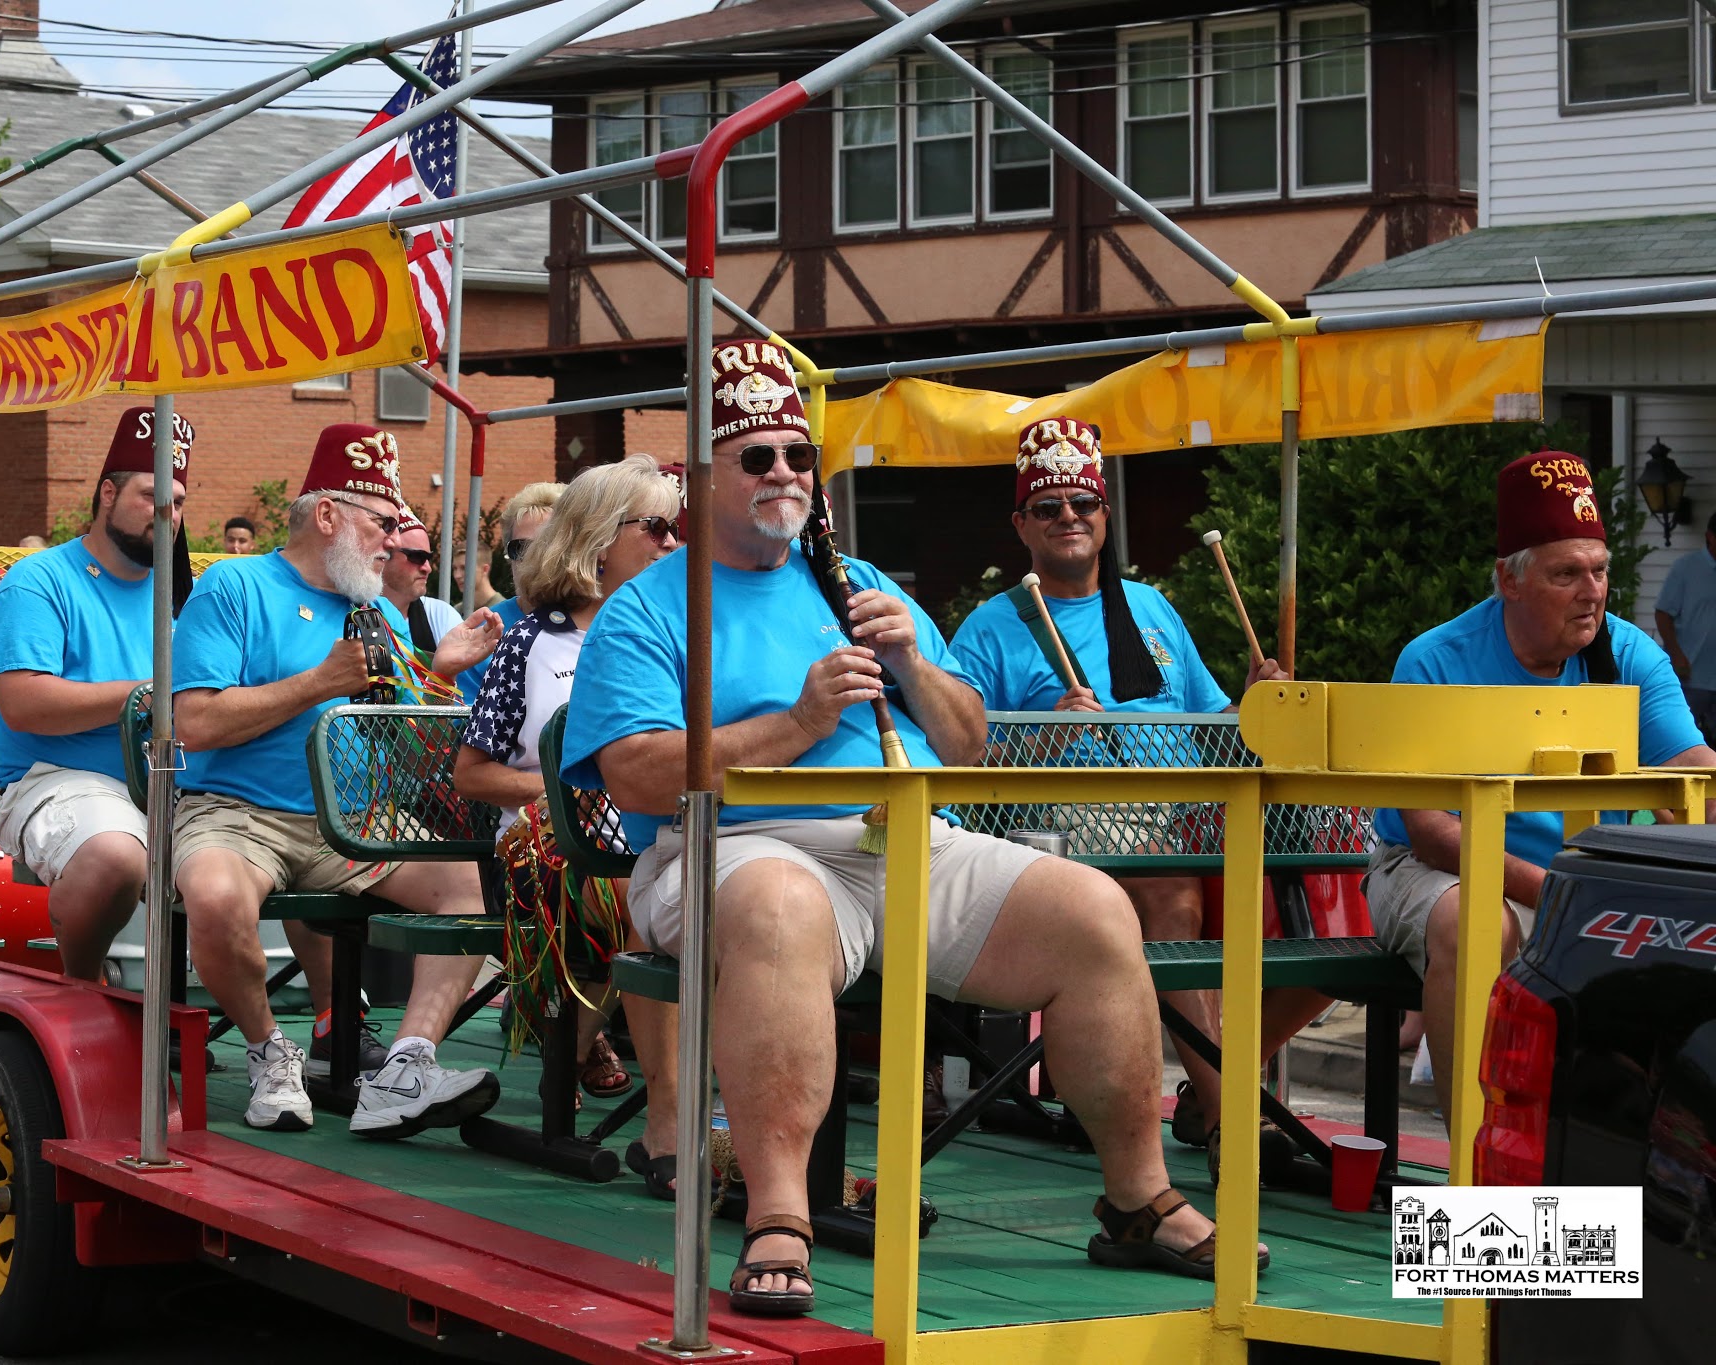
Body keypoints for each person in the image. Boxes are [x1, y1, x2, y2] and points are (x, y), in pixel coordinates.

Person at [563, 344, 1253, 1316]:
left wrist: (912, 667)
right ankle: (776, 1214)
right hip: (726, 848)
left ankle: (1137, 1197)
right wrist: (795, 726)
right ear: (706, 475)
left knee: (1093, 908)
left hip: (897, 837)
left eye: (798, 457)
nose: (783, 475)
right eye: (756, 458)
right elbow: (633, 770)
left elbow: (966, 741)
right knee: (773, 903)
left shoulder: (857, 581)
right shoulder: (646, 608)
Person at [949, 417, 1303, 1159]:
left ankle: (1206, 1095)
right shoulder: (990, 628)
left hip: (1189, 812)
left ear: (1106, 515)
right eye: (1048, 507)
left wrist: (1258, 701)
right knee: (1172, 888)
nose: (1069, 517)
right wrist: (1041, 737)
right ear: (1021, 524)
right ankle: (1229, 1112)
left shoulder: (1152, 608)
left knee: (1321, 903)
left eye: (1083, 502)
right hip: (1056, 829)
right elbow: (957, 757)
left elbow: (1215, 727)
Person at [1367, 451, 1716, 1127]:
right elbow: (1433, 831)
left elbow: (1694, 765)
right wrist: (1565, 895)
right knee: (1474, 920)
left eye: (1601, 570)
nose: (1592, 591)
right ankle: (1474, 1157)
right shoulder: (1435, 660)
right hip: (1436, 867)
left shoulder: (1628, 652)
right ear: (1509, 580)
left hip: (1579, 878)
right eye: (1566, 574)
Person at [172, 422, 503, 1134]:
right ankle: (269, 1050)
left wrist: (440, 675)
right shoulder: (234, 585)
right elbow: (192, 723)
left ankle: (405, 1067)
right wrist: (316, 682)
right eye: (383, 523)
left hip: (352, 820)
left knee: (472, 887)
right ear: (327, 516)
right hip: (237, 812)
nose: (393, 540)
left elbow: (415, 754)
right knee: (214, 895)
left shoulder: (379, 611)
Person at [452, 457, 681, 1195]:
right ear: (598, 538)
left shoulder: (674, 635)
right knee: (641, 902)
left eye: (681, 529)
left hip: (642, 840)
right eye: (658, 527)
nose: (675, 543)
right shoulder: (531, 641)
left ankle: (601, 1067)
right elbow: (471, 772)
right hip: (546, 847)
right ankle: (664, 1107)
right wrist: (561, 791)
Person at [0, 406, 195, 982]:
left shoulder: (185, 597)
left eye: (176, 502)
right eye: (151, 497)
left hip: (173, 782)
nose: (166, 514)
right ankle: (81, 988)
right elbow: (23, 704)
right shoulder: (38, 581)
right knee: (115, 855)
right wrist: (149, 694)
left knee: (292, 837)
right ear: (106, 493)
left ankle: (324, 1025)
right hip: (54, 776)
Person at [455, 481, 564, 698]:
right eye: (521, 548)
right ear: (508, 557)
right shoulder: (485, 634)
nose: (534, 559)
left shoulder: (603, 624)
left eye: (547, 545)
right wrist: (442, 673)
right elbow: (453, 730)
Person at [1656, 511, 1716, 744]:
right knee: (1687, 743)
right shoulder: (1686, 568)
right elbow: (1663, 613)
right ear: (1710, 536)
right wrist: (1676, 654)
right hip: (1692, 678)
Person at [379, 513, 465, 660]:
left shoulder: (441, 616)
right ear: (383, 556)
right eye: (417, 557)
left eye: (428, 558)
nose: (427, 568)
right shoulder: (351, 615)